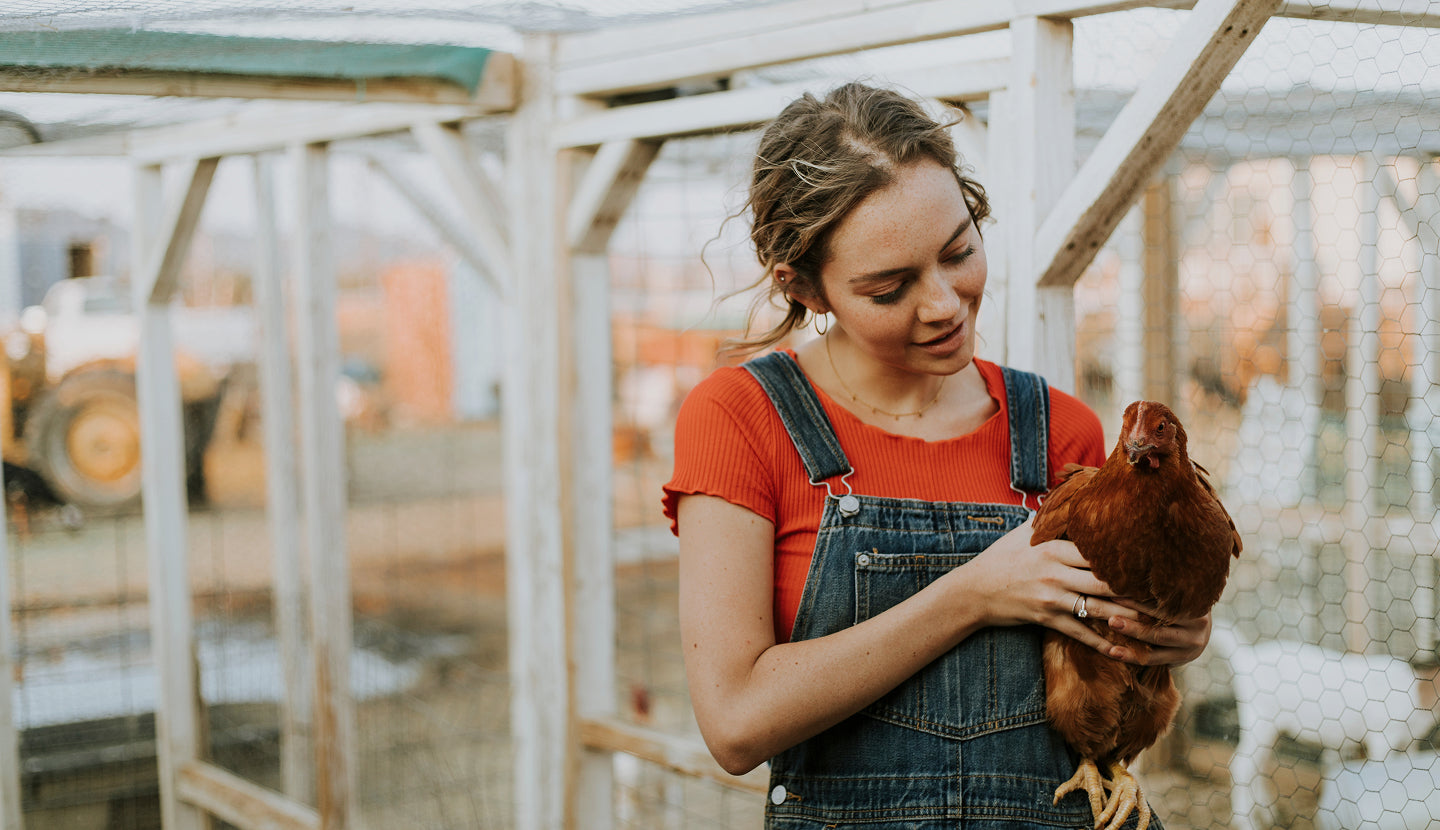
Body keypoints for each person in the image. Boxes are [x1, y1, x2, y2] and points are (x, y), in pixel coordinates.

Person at [662, 82, 1210, 828]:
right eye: (889, 288)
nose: (945, 304)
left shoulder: (1061, 433)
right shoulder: (741, 418)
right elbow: (735, 723)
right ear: (806, 288)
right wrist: (974, 594)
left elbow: (1098, 693)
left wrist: (1166, 632)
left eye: (959, 252)